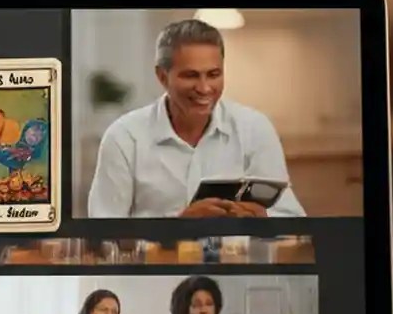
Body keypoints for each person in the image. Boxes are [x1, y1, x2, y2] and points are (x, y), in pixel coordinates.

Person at [86, 18, 306, 219]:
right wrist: (179, 227)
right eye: (191, 75)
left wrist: (262, 218)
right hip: (158, 263)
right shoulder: (124, 137)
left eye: (213, 74)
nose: (204, 88)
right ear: (162, 77)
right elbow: (103, 231)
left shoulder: (255, 128)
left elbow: (292, 217)